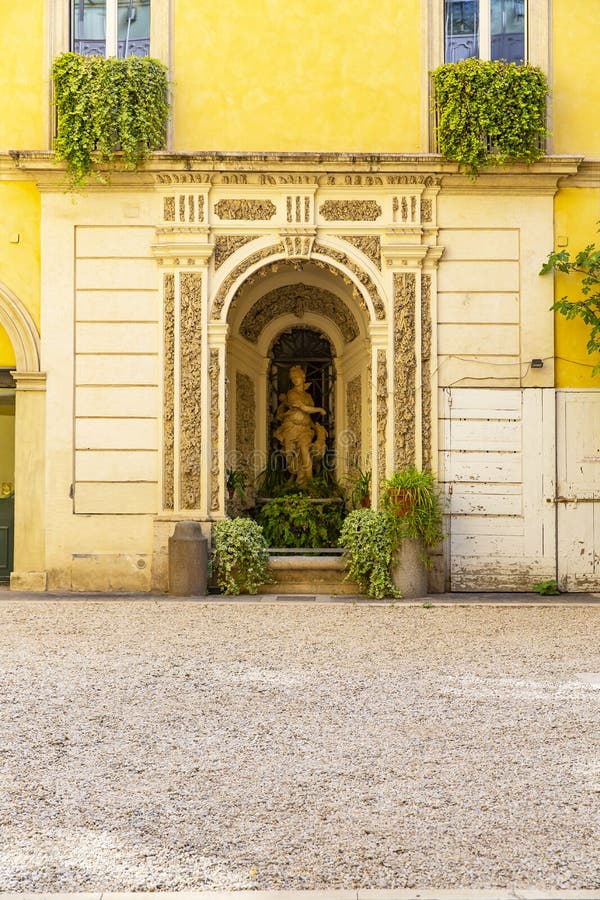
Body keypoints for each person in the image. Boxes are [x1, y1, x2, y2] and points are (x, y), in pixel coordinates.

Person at [274, 365, 327, 486]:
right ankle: (297, 480)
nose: (294, 379)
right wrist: (319, 409)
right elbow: (304, 409)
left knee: (304, 450)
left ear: (303, 377)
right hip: (291, 429)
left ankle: (310, 483)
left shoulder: (308, 396)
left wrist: (315, 427)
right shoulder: (292, 393)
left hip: (305, 430)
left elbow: (307, 416)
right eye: (292, 378)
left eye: (297, 376)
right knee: (291, 457)